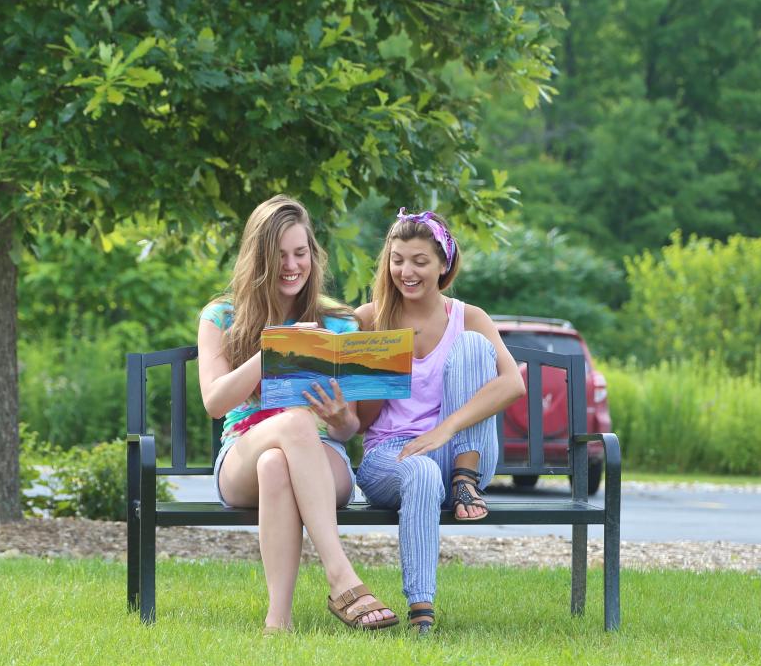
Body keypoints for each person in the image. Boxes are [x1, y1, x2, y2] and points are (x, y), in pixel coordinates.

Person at [197, 195, 399, 633]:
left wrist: (342, 415)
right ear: (260, 258)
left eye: (301, 253)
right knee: (290, 426)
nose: (292, 265)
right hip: (241, 453)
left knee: (280, 462)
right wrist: (276, 347)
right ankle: (341, 576)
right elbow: (214, 403)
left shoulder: (339, 324)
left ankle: (278, 621)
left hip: (323, 454)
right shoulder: (221, 316)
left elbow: (348, 430)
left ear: (313, 254)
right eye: (280, 255)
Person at [355, 208, 525, 634]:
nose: (406, 271)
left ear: (443, 264)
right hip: (392, 457)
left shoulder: (469, 317)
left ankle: (465, 480)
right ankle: (421, 610)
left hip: (457, 452)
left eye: (419, 261)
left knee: (471, 347)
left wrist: (444, 429)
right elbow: (358, 419)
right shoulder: (370, 319)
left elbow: (512, 385)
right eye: (397, 259)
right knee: (421, 471)